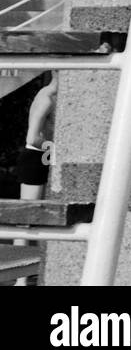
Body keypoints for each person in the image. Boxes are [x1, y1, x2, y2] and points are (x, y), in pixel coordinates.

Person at [15, 74, 56, 284]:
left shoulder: (53, 96)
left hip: (40, 157)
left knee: (30, 218)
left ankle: (24, 275)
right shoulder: (47, 97)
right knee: (25, 219)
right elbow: (32, 138)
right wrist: (54, 146)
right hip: (34, 157)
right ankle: (19, 278)